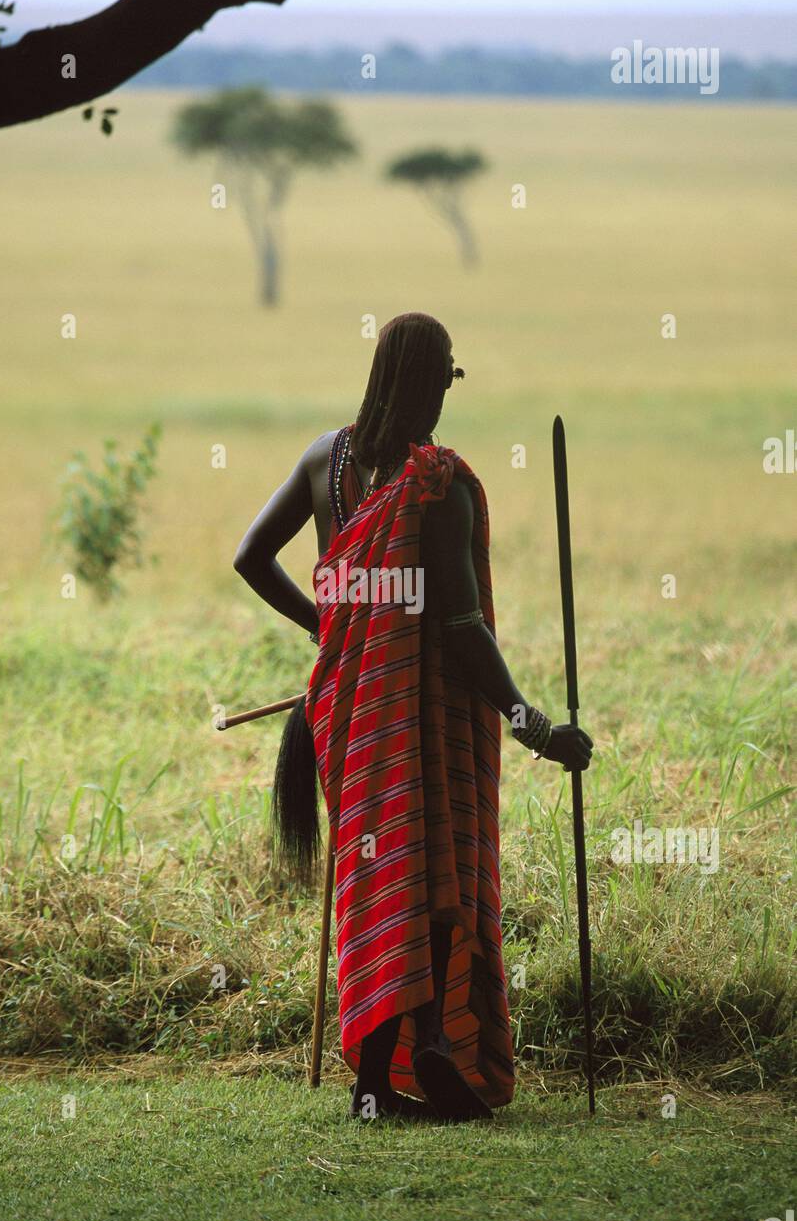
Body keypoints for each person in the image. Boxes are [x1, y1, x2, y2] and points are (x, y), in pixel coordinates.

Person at [234, 312, 593, 1122]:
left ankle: (371, 1080)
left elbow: (250, 557)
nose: (442, 395)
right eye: (443, 378)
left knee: (374, 870)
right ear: (425, 380)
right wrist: (532, 723)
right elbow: (462, 629)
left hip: (349, 707)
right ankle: (429, 1041)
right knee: (431, 861)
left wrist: (333, 630)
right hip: (426, 705)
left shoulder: (322, 462)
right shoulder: (439, 484)